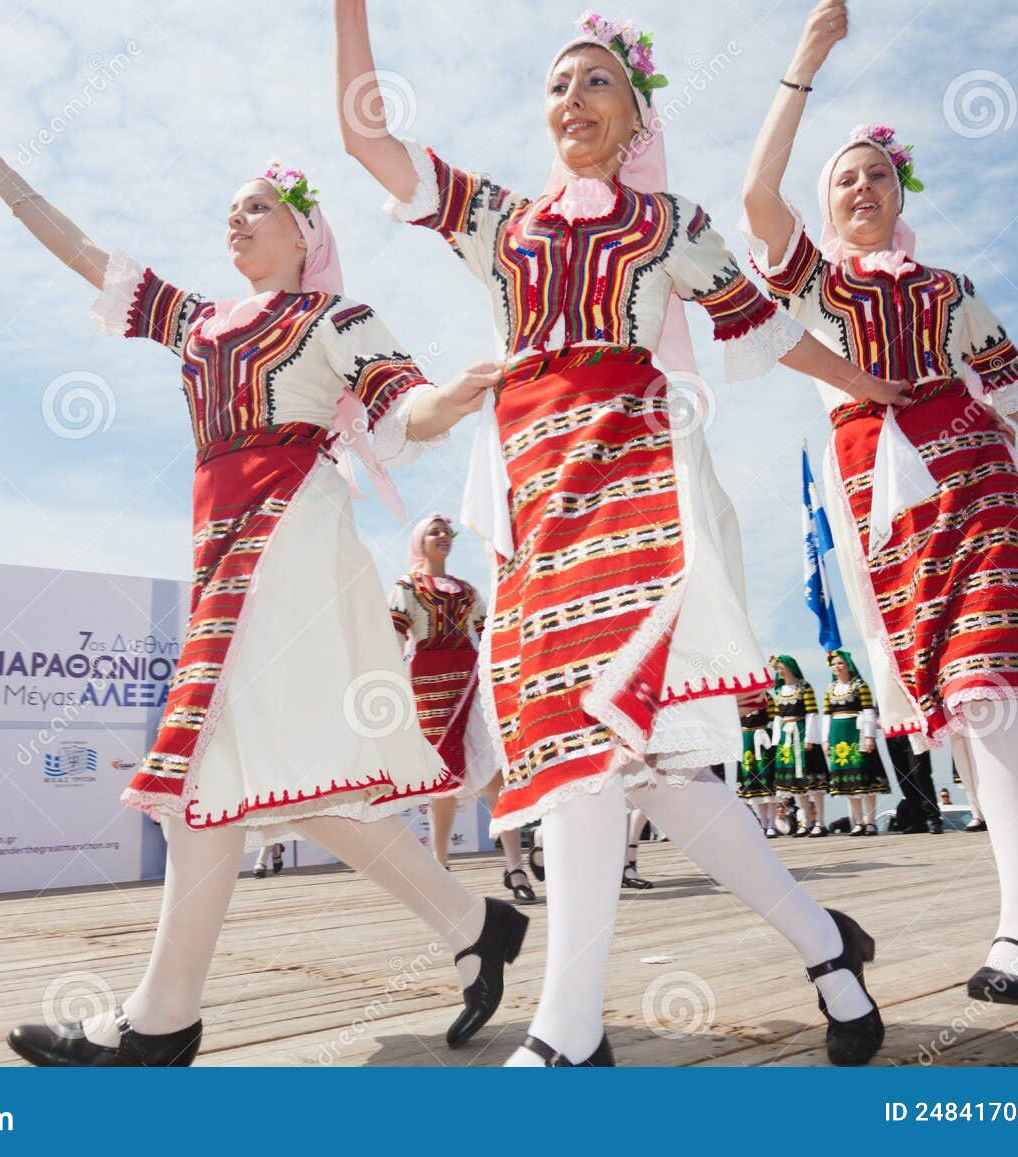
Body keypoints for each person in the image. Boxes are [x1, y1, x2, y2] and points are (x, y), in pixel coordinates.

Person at [337, 1, 900, 1066]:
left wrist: (871, 385)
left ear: (636, 114)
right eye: (558, 82)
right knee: (652, 770)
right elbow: (368, 139)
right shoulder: (499, 220)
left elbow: (761, 323)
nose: (574, 97)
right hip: (536, 502)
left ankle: (567, 1031)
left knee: (589, 740)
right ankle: (828, 945)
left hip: (638, 484)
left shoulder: (666, 224)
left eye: (598, 80)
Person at [0, 149, 528, 1065]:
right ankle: (470, 924)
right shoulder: (200, 322)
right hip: (226, 558)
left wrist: (449, 400)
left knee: (205, 768)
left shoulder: (333, 317)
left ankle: (162, 1017)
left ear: (305, 233)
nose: (237, 219)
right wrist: (10, 187)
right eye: (232, 209)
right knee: (277, 778)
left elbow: (403, 406)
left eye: (258, 206)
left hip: (290, 542)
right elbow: (93, 258)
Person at [741, 0, 1018, 1005]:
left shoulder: (947, 287)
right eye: (845, 177)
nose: (862, 186)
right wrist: (806, 57)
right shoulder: (817, 286)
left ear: (901, 193)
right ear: (830, 201)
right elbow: (755, 194)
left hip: (974, 484)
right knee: (957, 709)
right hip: (882, 505)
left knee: (988, 688)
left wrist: (995, 471)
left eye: (878, 174)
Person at [391, 513, 535, 902]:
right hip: (429, 688)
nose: (443, 536)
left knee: (496, 772)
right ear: (420, 541)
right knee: (443, 780)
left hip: (472, 684)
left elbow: (489, 636)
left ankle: (515, 867)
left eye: (446, 531)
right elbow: (394, 639)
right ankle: (440, 866)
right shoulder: (406, 587)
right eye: (433, 531)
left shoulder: (468, 590)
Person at [822, 650, 889, 835]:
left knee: (865, 777)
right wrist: (825, 740)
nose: (836, 667)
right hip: (838, 735)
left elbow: (868, 711)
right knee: (847, 780)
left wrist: (869, 736)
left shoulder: (860, 686)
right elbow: (826, 716)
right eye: (833, 664)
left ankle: (871, 821)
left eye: (840, 663)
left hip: (857, 733)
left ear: (848, 665)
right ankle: (858, 821)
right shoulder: (829, 689)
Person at [769, 654, 827, 836]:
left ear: (790, 667)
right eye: (777, 668)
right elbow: (778, 717)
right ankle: (806, 823)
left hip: (802, 734)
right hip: (786, 739)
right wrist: (776, 741)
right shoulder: (779, 691)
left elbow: (811, 713)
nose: (779, 671)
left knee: (813, 783)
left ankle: (820, 823)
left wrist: (809, 738)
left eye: (781, 667)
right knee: (797, 784)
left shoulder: (804, 687)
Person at [736, 688, 781, 835]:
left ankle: (772, 824)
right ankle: (764, 824)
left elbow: (774, 720)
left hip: (763, 739)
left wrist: (773, 742)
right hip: (746, 740)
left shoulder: (766, 697)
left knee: (767, 780)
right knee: (753, 783)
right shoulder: (739, 698)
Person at [886, 731, 941, 834]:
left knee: (920, 774)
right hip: (892, 732)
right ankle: (918, 822)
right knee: (904, 778)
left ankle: (934, 819)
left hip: (914, 730)